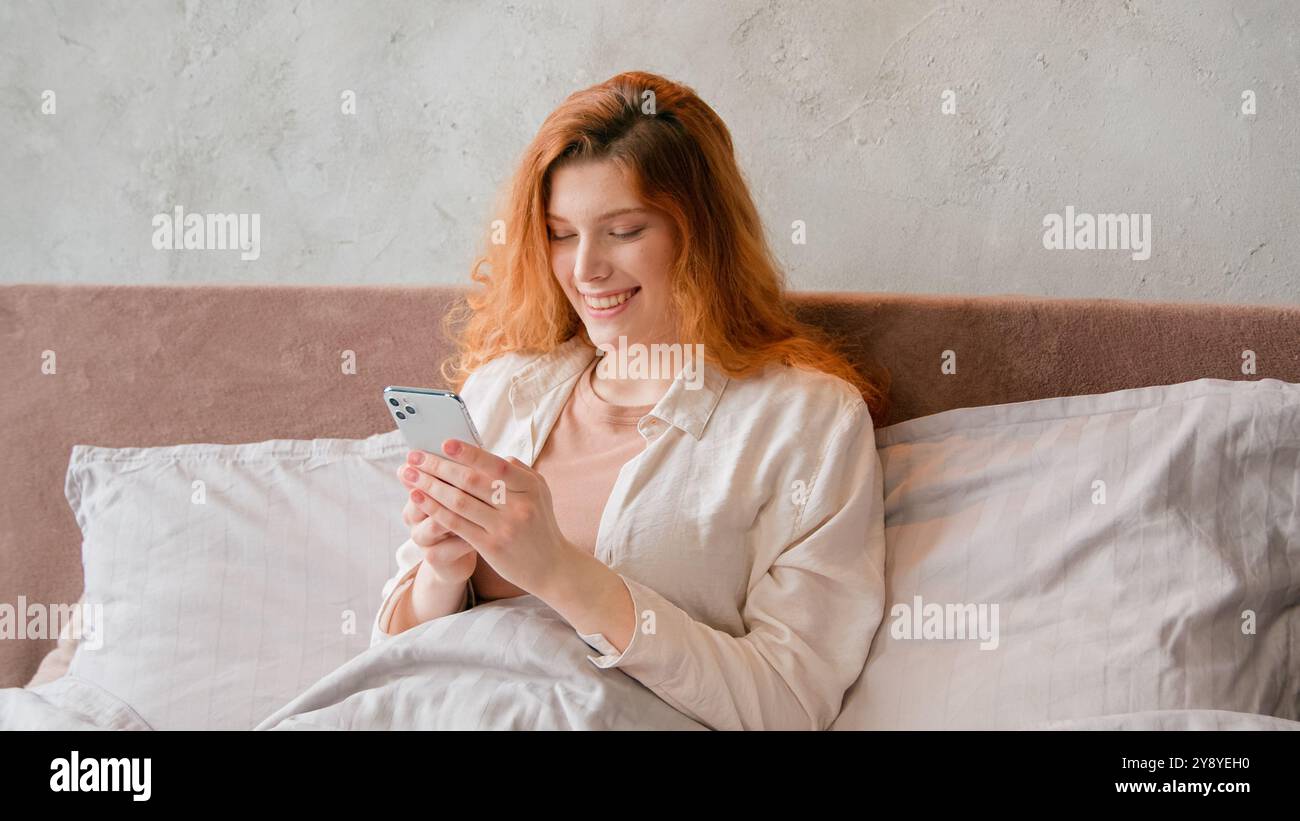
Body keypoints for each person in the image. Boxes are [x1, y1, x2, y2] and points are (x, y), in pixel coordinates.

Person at [371, 70, 890, 731]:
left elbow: (789, 702)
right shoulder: (504, 388)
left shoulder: (807, 423)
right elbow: (386, 660)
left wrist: (561, 572)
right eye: (561, 232)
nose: (585, 268)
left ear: (698, 236)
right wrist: (444, 571)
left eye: (622, 230)